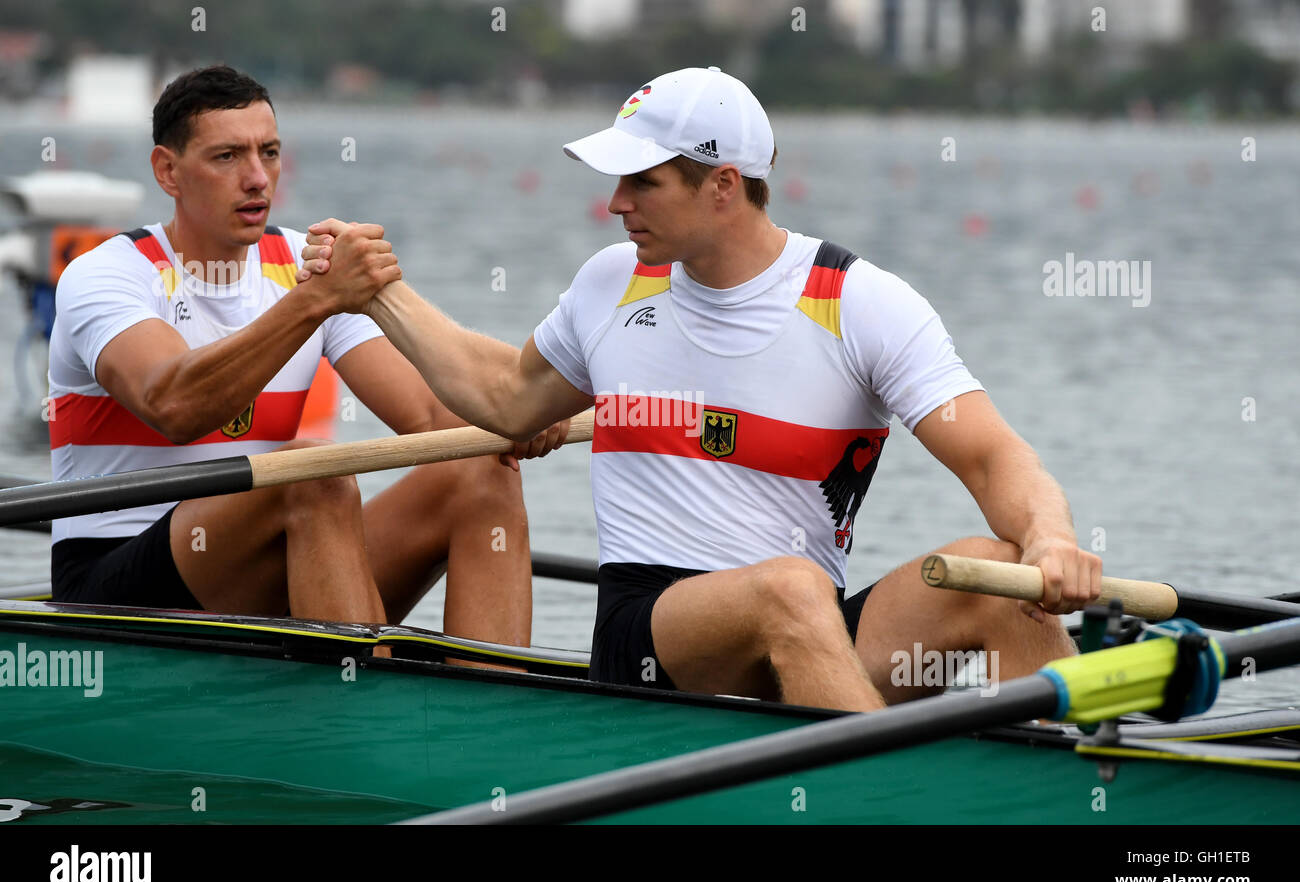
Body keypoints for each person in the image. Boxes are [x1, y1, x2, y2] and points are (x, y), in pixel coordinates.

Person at [302, 66, 1101, 711]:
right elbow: (507, 394)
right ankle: (876, 798)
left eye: (642, 183)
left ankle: (1089, 784)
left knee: (998, 574)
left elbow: (995, 458)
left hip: (810, 626)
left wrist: (1052, 540)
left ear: (722, 186)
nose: (615, 203)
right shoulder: (615, 283)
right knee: (787, 592)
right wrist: (378, 292)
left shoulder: (860, 302)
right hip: (652, 636)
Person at [48, 65, 564, 644]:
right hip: (114, 586)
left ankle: (492, 711)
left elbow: (433, 415)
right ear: (168, 171)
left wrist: (526, 409)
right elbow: (174, 405)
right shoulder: (106, 274)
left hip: (272, 550)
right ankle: (361, 712)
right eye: (226, 157)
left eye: (268, 153)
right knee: (311, 473)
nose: (257, 179)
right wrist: (316, 300)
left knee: (481, 468)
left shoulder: (301, 260)